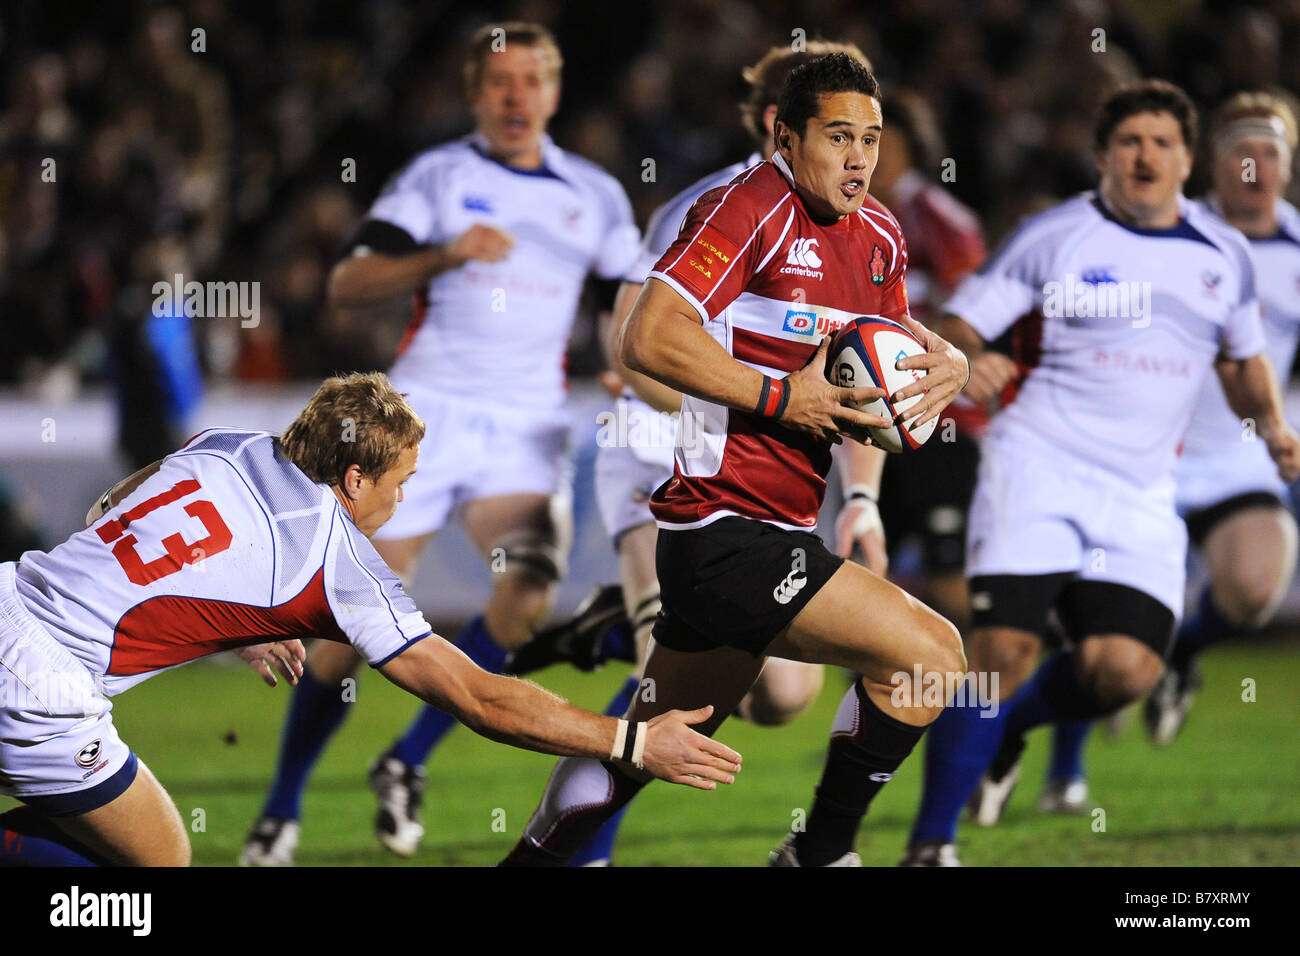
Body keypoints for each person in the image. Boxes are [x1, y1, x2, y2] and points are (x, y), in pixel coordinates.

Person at [501, 53, 970, 868]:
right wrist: (782, 398)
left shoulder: (881, 238)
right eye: (838, 137)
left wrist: (949, 368)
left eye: (870, 139)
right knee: (932, 656)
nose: (859, 157)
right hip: (721, 530)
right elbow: (645, 338)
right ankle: (819, 852)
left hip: (771, 532)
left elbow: (887, 371)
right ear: (786, 137)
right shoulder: (746, 207)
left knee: (643, 746)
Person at [0, 372, 741, 867]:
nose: (402, 501)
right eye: (400, 482)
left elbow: (114, 507)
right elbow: (478, 697)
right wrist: (635, 741)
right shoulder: (339, 567)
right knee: (162, 859)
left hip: (10, 595)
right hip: (43, 691)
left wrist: (242, 616)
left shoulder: (227, 444)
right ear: (355, 478)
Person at [239, 22, 642, 864]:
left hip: (526, 424)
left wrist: (633, 366)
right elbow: (349, 281)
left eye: (530, 80)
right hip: (427, 416)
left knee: (527, 587)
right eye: (498, 81)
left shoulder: (597, 194)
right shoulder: (439, 177)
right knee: (343, 626)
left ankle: (406, 759)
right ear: (472, 94)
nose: (515, 96)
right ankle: (281, 807)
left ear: (554, 92)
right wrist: (444, 255)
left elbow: (627, 309)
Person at [901, 79, 1300, 866]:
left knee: (1122, 671)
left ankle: (1013, 730)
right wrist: (969, 359)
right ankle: (930, 845)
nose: (1145, 156)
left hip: (1142, 490)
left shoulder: (1223, 258)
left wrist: (1274, 427)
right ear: (1102, 157)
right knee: (1001, 650)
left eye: (1161, 143)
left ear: (1184, 159)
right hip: (1037, 463)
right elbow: (958, 323)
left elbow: (1242, 360)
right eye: (1129, 142)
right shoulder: (1053, 236)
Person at [869, 90, 988, 631]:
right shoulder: (852, 218)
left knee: (948, 572)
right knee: (867, 562)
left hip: (942, 423)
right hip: (873, 418)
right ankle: (874, 681)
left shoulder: (939, 218)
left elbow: (972, 319)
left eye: (883, 145)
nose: (873, 159)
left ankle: (982, 676)